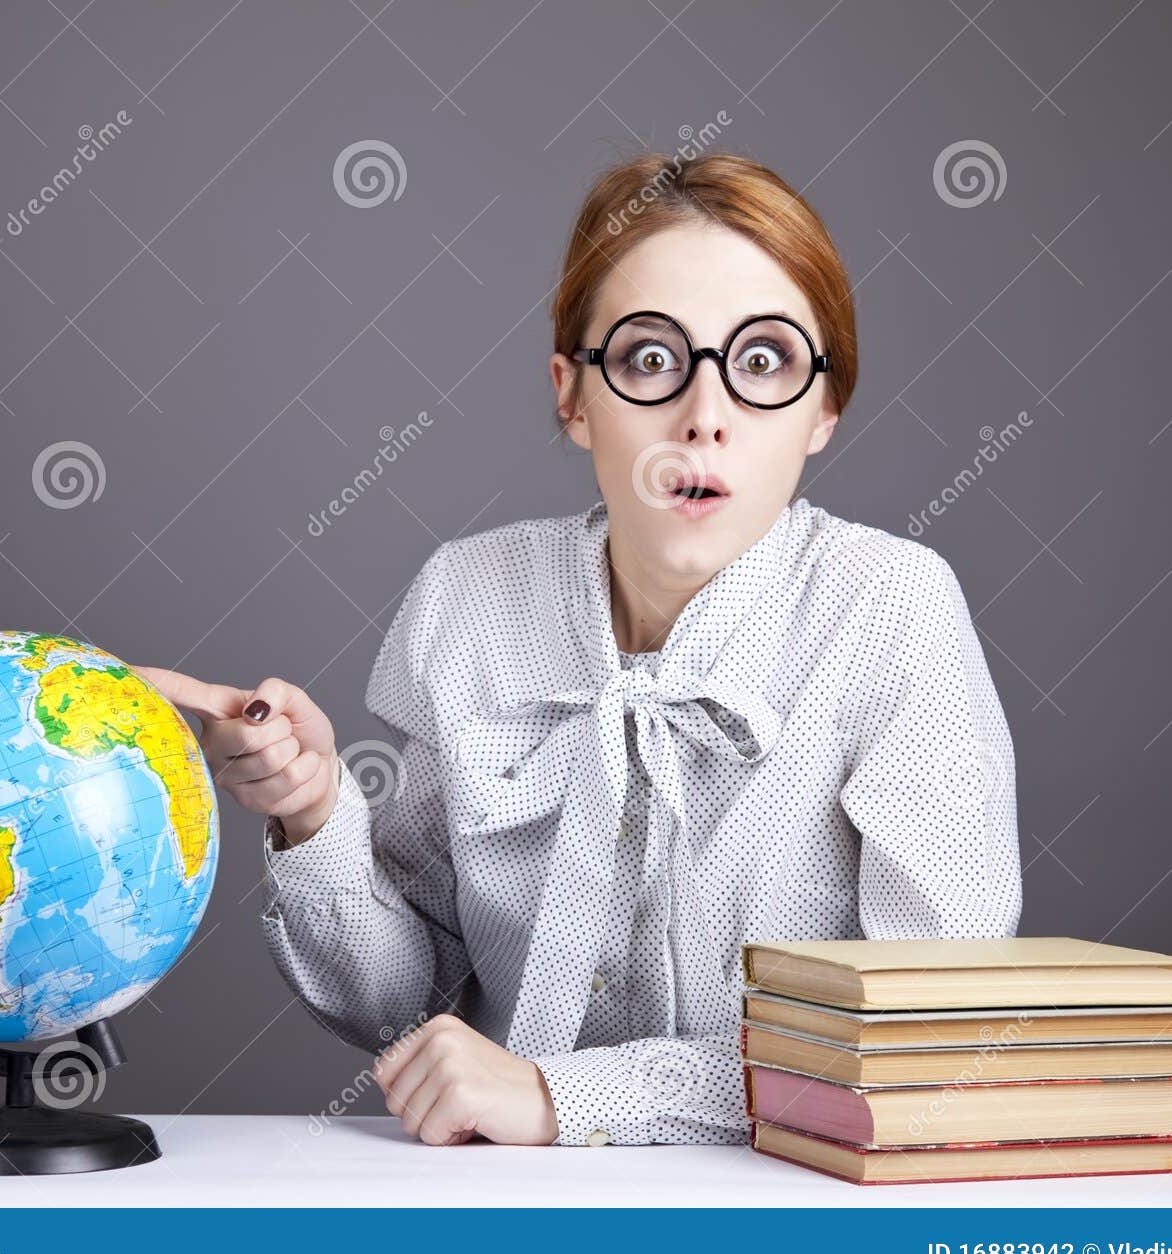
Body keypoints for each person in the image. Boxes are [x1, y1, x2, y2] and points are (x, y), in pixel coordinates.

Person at [136, 152, 1021, 1149]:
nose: (704, 418)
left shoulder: (891, 610)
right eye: (650, 359)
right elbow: (395, 1007)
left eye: (764, 361)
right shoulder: (472, 600)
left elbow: (932, 1035)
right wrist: (312, 812)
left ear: (825, 406)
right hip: (519, 1209)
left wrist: (566, 1096)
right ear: (572, 396)